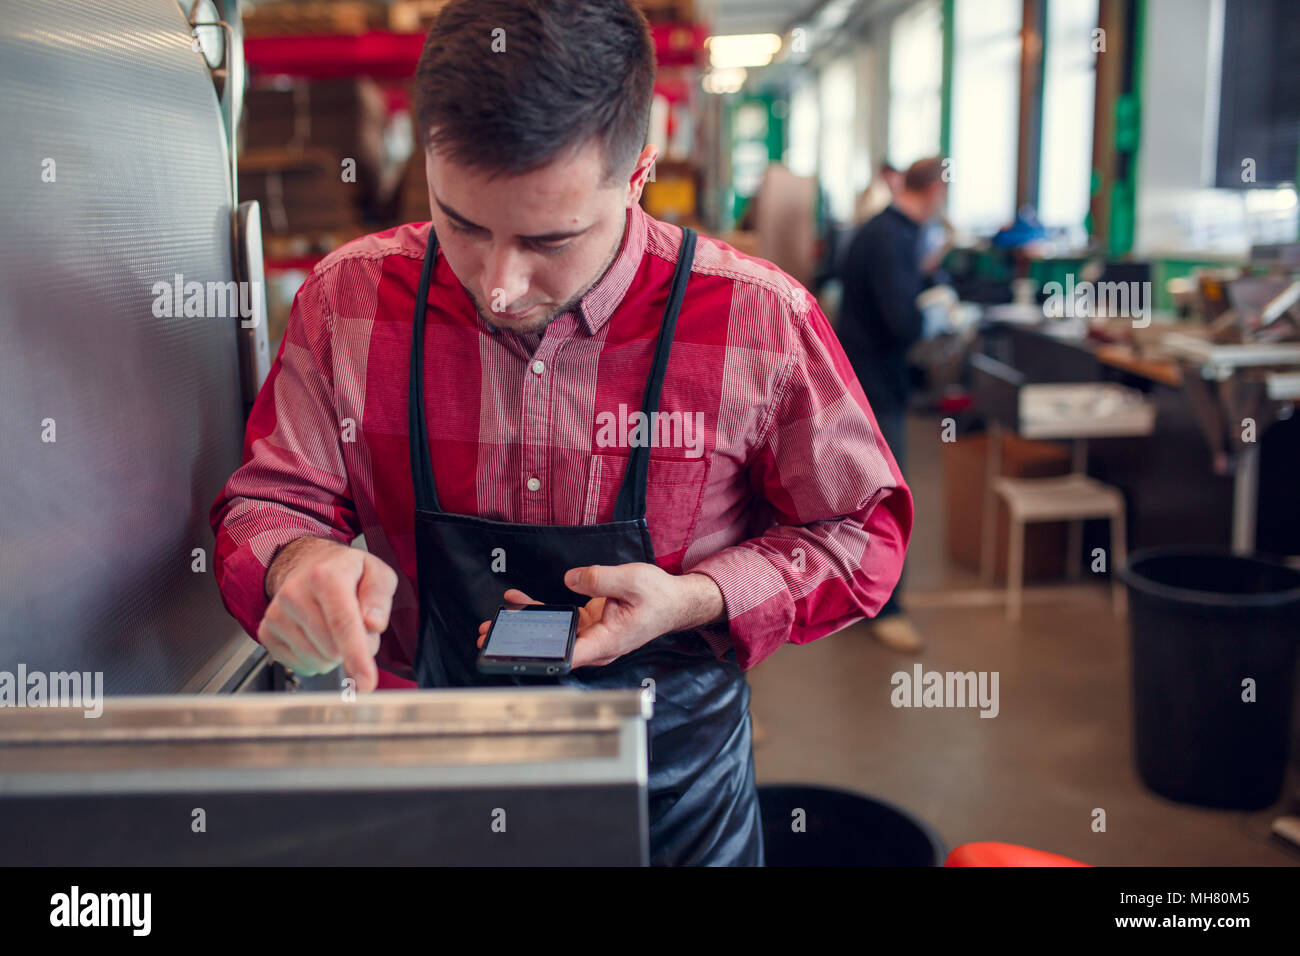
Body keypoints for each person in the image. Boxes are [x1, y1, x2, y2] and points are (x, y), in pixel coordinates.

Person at [210, 0, 912, 867]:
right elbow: (268, 505)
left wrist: (697, 597)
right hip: (430, 780)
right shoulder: (348, 302)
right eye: (462, 223)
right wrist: (297, 563)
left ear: (638, 174)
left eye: (550, 238)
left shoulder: (758, 321)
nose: (499, 283)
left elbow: (862, 537)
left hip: (675, 799)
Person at [835, 156, 949, 654]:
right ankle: (886, 608)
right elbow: (900, 322)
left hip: (867, 383)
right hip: (875, 388)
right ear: (935, 191)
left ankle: (859, 597)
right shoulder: (890, 238)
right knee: (886, 505)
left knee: (862, 500)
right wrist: (938, 318)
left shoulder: (886, 232)